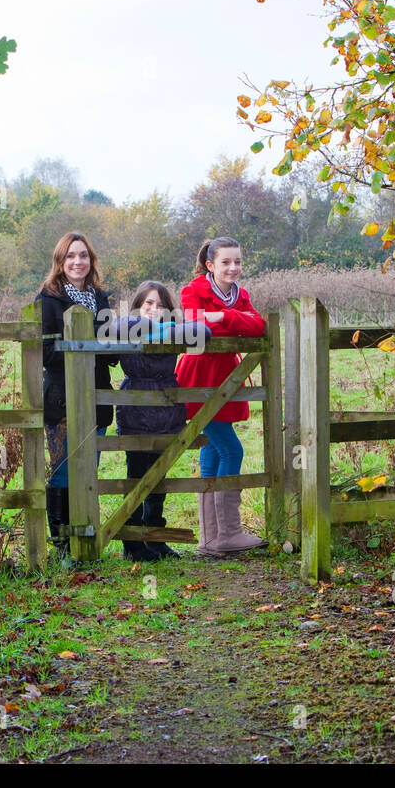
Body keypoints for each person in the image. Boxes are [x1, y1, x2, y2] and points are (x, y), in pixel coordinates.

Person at [176, 236, 268, 558]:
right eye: (226, 262)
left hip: (228, 377)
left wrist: (222, 317)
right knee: (231, 449)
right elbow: (196, 326)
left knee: (214, 449)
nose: (233, 267)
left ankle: (211, 540)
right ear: (210, 264)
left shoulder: (241, 295)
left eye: (237, 261)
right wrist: (227, 322)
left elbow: (258, 326)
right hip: (201, 376)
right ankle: (227, 533)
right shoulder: (193, 291)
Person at [111, 282, 211, 561]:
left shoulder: (173, 329)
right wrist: (156, 327)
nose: (154, 309)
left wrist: (165, 328)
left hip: (167, 409)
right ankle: (132, 543)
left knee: (159, 479)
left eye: (160, 305)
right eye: (148, 304)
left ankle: (156, 539)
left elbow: (204, 332)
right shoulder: (126, 326)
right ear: (137, 306)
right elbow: (116, 326)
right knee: (136, 476)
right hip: (135, 410)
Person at [35, 232, 117, 561]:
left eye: (83, 255)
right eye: (70, 256)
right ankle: (62, 545)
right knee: (63, 472)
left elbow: (113, 351)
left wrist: (100, 344)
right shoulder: (48, 300)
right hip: (62, 399)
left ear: (91, 261)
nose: (77, 261)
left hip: (97, 396)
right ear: (60, 261)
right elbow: (45, 353)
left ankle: (85, 543)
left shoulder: (101, 298)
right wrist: (86, 345)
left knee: (89, 471)